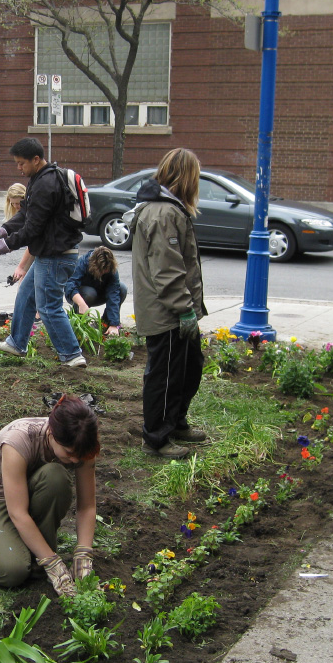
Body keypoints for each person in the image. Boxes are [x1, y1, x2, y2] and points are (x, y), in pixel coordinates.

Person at [0, 395, 100, 598]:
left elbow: (86, 506)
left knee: (55, 477)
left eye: (80, 456)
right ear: (51, 433)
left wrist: (83, 553)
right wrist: (52, 563)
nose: (75, 459)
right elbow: (18, 513)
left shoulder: (84, 444)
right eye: (69, 453)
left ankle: (36, 554)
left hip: (25, 496)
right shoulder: (18, 441)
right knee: (12, 571)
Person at [128, 148, 207, 459]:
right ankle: (157, 438)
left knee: (188, 369)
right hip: (167, 313)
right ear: (186, 178)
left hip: (174, 310)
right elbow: (167, 271)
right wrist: (185, 310)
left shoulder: (169, 209)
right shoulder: (163, 214)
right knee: (165, 376)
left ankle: (175, 423)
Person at [0, 137, 86, 367]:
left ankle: (72, 355)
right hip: (51, 254)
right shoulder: (41, 179)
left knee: (48, 308)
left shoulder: (45, 184)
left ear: (36, 159)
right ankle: (17, 343)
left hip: (55, 256)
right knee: (26, 295)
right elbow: (25, 214)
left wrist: (1, 247)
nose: (19, 168)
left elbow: (32, 229)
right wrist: (1, 231)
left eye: (22, 163)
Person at [64, 246, 128, 336]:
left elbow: (113, 294)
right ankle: (77, 325)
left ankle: (105, 323)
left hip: (99, 294)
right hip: (81, 296)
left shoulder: (111, 267)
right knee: (90, 293)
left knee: (122, 288)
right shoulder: (83, 263)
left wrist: (114, 324)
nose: (104, 272)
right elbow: (70, 285)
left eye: (106, 271)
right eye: (102, 271)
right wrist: (81, 304)